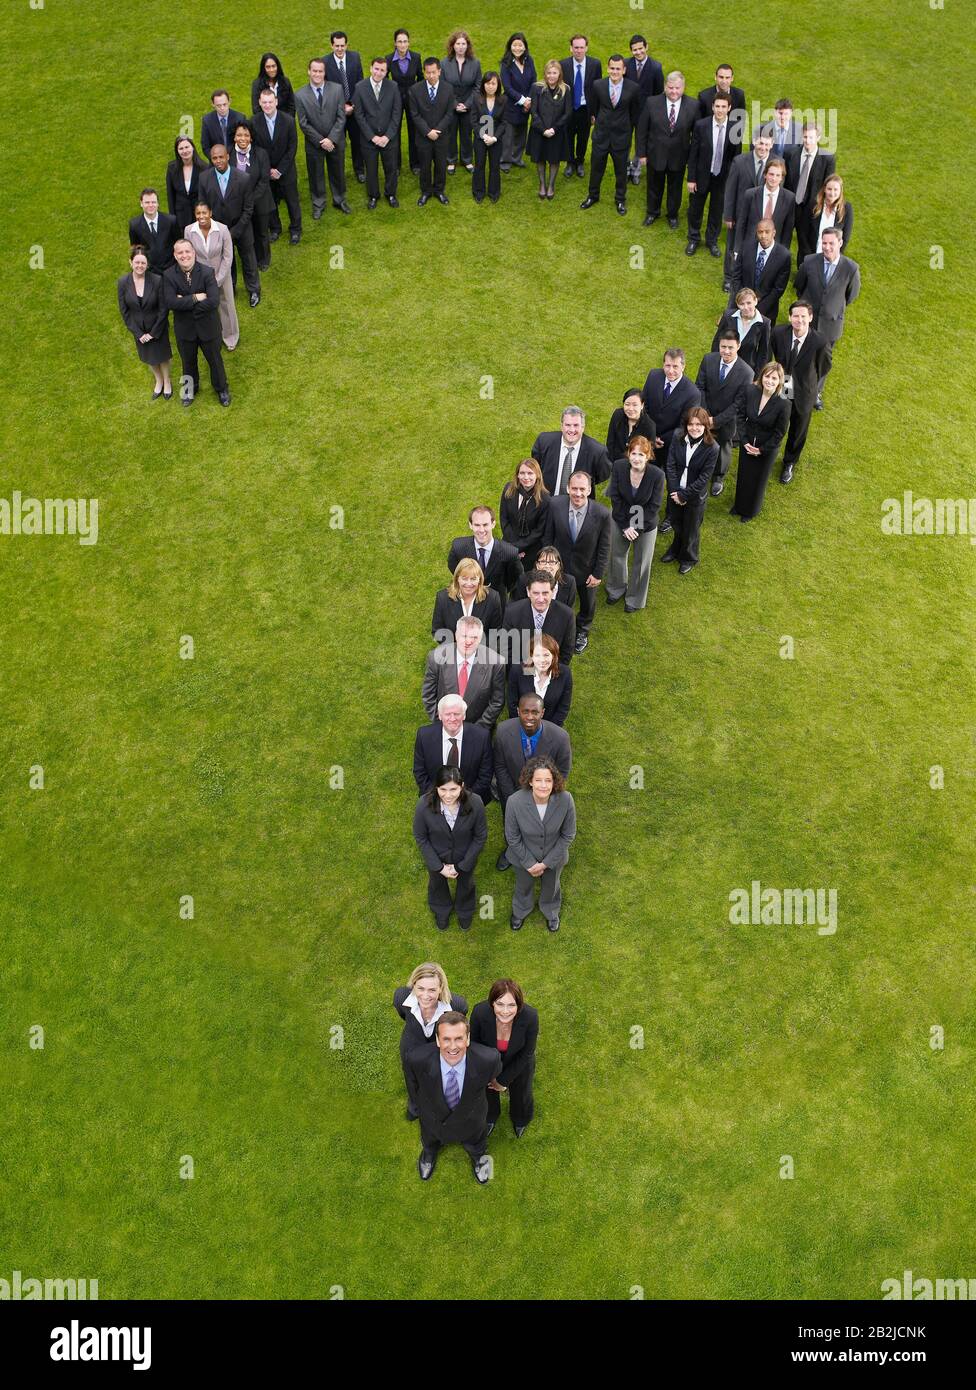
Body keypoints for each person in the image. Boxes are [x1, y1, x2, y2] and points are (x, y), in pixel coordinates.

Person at [407, 1012, 500, 1182]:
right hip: (432, 1116)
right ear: (437, 1040)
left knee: (477, 1140)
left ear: (468, 1039)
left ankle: (479, 1157)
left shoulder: (488, 1059)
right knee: (430, 1137)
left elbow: (493, 1077)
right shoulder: (416, 1059)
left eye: (458, 1038)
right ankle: (429, 1152)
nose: (453, 1046)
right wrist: (423, 1109)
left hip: (472, 1116)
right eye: (446, 1039)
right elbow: (413, 1086)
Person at [494, 697, 572, 870]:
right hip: (511, 791)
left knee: (541, 823)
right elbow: (499, 765)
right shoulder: (502, 730)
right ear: (518, 711)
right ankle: (512, 851)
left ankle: (542, 854)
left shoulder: (560, 737)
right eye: (525, 712)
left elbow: (563, 770)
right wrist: (511, 796)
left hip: (544, 793)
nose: (530, 716)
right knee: (511, 822)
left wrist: (544, 793)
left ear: (542, 713)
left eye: (535, 712)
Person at [412, 767, 488, 932]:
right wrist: (439, 867)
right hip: (437, 857)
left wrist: (462, 865)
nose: (448, 795)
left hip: (465, 857)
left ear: (462, 786)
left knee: (466, 884)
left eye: (453, 789)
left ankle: (465, 910)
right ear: (436, 788)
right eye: (443, 789)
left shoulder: (476, 803)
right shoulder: (423, 805)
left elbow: (480, 836)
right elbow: (421, 837)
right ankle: (441, 909)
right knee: (437, 884)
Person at [505, 756, 576, 932]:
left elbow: (568, 835)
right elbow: (512, 836)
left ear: (554, 782)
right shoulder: (514, 802)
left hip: (554, 857)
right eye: (538, 780)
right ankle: (520, 911)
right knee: (523, 886)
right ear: (530, 781)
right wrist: (529, 863)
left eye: (548, 780)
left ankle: (551, 911)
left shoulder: (566, 799)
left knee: (552, 887)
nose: (543, 785)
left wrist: (546, 863)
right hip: (523, 858)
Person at [546, 470, 611, 653]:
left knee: (587, 603)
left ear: (589, 490)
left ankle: (582, 630)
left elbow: (604, 546)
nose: (578, 493)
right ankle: (560, 629)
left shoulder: (602, 514)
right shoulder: (555, 504)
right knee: (559, 600)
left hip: (587, 570)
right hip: (560, 569)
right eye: (574, 488)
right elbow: (548, 536)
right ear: (567, 488)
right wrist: (548, 564)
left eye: (582, 489)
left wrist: (598, 573)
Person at [393, 962, 466, 1121]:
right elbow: (404, 1015)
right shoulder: (401, 997)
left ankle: (440, 1105)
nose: (425, 995)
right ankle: (415, 1106)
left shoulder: (456, 1005)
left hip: (440, 1045)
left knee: (441, 1075)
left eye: (432, 989)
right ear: (413, 985)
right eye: (420, 988)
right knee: (411, 1075)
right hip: (412, 1043)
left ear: (441, 988)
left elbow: (458, 1020)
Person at [794, 229, 861, 404]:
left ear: (840, 243)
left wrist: (833, 307)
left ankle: (815, 393)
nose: (827, 247)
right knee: (795, 355)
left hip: (830, 325)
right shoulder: (809, 261)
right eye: (824, 243)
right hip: (806, 322)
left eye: (831, 243)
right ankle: (789, 390)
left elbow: (851, 295)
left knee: (822, 360)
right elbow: (799, 286)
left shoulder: (851, 268)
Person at [162, 239, 230, 407]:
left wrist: (184, 303)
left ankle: (221, 389)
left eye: (187, 251)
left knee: (215, 361)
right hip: (185, 330)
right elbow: (170, 303)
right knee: (187, 362)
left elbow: (213, 301)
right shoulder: (169, 275)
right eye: (180, 253)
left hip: (209, 328)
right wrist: (196, 298)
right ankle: (189, 391)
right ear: (175, 255)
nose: (184, 255)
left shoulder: (207, 272)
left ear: (194, 253)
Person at [470, 980, 539, 1137]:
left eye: (511, 1005)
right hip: (488, 1061)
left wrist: (502, 1081)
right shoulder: (480, 1013)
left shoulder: (530, 1017)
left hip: (520, 1061)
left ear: (519, 1005)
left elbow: (528, 1051)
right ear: (492, 1003)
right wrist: (490, 1074)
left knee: (522, 1092)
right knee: (487, 1091)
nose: (505, 1011)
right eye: (500, 1004)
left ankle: (520, 1118)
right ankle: (490, 1116)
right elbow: (474, 1045)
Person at [770, 301, 830, 483]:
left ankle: (789, 462)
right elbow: (774, 353)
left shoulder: (819, 342)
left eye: (804, 316)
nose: (799, 320)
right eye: (796, 316)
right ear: (789, 317)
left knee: (798, 429)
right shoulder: (779, 333)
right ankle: (768, 453)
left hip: (805, 391)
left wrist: (808, 382)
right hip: (784, 385)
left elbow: (824, 366)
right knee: (776, 422)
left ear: (810, 318)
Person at [605, 435, 665, 611]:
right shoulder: (618, 467)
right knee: (616, 554)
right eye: (634, 453)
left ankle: (634, 599)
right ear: (628, 454)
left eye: (641, 454)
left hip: (645, 522)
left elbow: (654, 506)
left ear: (648, 456)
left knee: (641, 561)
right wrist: (625, 525)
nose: (637, 458)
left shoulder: (657, 475)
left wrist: (636, 527)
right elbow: (615, 498)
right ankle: (616, 589)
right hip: (620, 516)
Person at [198, 145, 260, 307]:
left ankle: (254, 289)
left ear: (227, 156)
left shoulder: (243, 178)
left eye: (221, 157)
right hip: (218, 230)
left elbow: (248, 208)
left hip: (242, 228)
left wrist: (235, 231)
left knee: (248, 259)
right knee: (226, 261)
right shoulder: (204, 178)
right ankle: (230, 287)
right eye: (214, 158)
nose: (218, 161)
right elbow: (202, 206)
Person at [637, 70, 700, 228]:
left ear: (683, 88)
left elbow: (697, 136)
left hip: (679, 156)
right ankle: (652, 212)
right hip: (655, 154)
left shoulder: (693, 105)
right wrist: (642, 153)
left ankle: (672, 215)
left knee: (675, 188)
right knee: (653, 186)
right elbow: (642, 129)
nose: (674, 91)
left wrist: (691, 158)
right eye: (671, 88)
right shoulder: (651, 102)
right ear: (665, 86)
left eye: (677, 88)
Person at [730, 362, 791, 521]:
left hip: (767, 447)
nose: (769, 381)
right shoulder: (751, 391)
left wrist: (761, 450)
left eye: (774, 378)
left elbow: (780, 432)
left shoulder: (784, 403)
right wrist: (743, 441)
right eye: (767, 376)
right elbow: (741, 416)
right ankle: (738, 506)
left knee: (758, 480)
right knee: (744, 475)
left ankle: (750, 511)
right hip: (748, 441)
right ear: (762, 376)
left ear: (780, 381)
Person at [661, 407, 719, 573]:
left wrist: (684, 495)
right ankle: (675, 549)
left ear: (705, 426)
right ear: (686, 425)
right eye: (691, 424)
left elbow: (704, 478)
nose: (695, 428)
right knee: (677, 523)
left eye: (699, 425)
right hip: (675, 491)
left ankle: (689, 557)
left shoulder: (712, 448)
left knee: (691, 529)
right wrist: (675, 491)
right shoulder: (677, 437)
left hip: (694, 497)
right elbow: (670, 464)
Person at [695, 333, 754, 496]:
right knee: (702, 443)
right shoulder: (708, 360)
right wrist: (706, 416)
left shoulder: (746, 372)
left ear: (738, 347)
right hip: (705, 414)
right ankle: (700, 470)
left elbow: (738, 404)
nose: (726, 351)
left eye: (730, 348)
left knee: (722, 448)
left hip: (727, 421)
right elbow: (699, 387)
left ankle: (718, 477)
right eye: (723, 347)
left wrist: (717, 421)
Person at [580, 55, 640, 216]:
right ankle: (593, 196)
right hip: (601, 136)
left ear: (624, 70)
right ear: (608, 68)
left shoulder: (633, 88)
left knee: (621, 171)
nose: (615, 71)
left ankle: (620, 199)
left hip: (621, 138)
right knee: (596, 168)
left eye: (618, 69)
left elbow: (635, 113)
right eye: (612, 68)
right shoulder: (598, 85)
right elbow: (593, 107)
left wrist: (626, 128)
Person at [422, 617, 507, 729]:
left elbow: (497, 702)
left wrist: (476, 730)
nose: (468, 641)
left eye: (474, 637)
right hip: (444, 728)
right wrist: (444, 724)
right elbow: (428, 696)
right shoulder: (436, 658)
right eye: (464, 636)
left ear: (481, 638)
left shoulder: (496, 663)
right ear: (456, 635)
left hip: (478, 730)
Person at [295, 58, 348, 220]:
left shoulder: (337, 89)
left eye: (320, 71)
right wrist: (321, 141)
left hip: (335, 141)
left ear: (324, 72)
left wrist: (331, 139)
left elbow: (341, 117)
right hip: (314, 144)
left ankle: (340, 200)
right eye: (314, 71)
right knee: (315, 175)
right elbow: (303, 123)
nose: (317, 74)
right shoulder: (300, 95)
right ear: (309, 72)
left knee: (338, 171)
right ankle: (318, 203)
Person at [413, 694, 493, 802]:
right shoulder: (424, 736)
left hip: (470, 799)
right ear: (440, 715)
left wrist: (463, 800)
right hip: (434, 798)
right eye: (447, 714)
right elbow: (419, 772)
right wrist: (439, 798)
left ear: (464, 715)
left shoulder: (481, 737)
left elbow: (485, 775)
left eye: (456, 714)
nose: (452, 718)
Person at [117, 245, 172, 399]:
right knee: (149, 357)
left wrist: (154, 333)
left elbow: (164, 308)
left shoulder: (157, 280)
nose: (140, 266)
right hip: (139, 330)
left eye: (143, 263)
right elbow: (124, 311)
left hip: (158, 327)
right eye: (137, 262)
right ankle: (158, 381)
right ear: (130, 262)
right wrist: (138, 333)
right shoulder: (123, 282)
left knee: (162, 357)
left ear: (147, 264)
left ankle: (167, 382)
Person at [685, 92, 735, 256]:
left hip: (722, 178)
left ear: (729, 108)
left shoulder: (735, 129)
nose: (720, 110)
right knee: (695, 208)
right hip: (701, 175)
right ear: (712, 107)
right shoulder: (701, 125)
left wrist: (731, 182)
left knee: (716, 210)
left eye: (723, 107)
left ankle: (711, 241)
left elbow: (736, 158)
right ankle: (693, 238)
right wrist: (691, 178)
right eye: (717, 106)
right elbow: (693, 154)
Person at [721, 131, 772, 290]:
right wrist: (728, 215)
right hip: (739, 214)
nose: (763, 147)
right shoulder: (740, 161)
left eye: (766, 144)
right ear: (754, 143)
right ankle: (729, 277)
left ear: (771, 145)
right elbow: (730, 189)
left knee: (757, 246)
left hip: (763, 216)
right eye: (760, 143)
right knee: (733, 245)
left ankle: (751, 277)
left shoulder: (777, 163)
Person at [184, 201, 238, 351]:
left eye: (204, 212)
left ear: (210, 213)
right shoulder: (189, 231)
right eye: (198, 213)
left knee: (226, 305)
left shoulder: (222, 229)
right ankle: (211, 337)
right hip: (200, 277)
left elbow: (228, 257)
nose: (201, 216)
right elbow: (189, 255)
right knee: (205, 309)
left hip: (222, 274)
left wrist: (219, 278)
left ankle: (230, 337)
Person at [252, 88, 302, 245]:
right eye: (264, 102)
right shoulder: (253, 122)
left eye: (270, 102)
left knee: (292, 201)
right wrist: (267, 170)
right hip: (266, 171)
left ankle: (295, 230)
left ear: (276, 102)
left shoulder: (288, 120)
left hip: (286, 170)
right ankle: (275, 228)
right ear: (260, 103)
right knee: (270, 202)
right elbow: (255, 148)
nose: (267, 105)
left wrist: (280, 170)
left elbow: (292, 147)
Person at [447, 505, 522, 606]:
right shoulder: (458, 547)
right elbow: (454, 569)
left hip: (496, 605)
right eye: (477, 525)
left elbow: (514, 579)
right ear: (470, 525)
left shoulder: (510, 552)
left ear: (493, 524)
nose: (481, 530)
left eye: (485, 525)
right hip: (468, 601)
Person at [642, 349, 702, 473]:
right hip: (647, 435)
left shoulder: (692, 393)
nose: (670, 371)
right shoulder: (653, 376)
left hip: (670, 444)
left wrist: (660, 440)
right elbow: (645, 405)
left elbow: (684, 424)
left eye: (675, 366)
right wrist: (651, 435)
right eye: (667, 365)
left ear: (683, 367)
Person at [353, 56, 401, 209]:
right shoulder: (360, 87)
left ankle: (391, 194)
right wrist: (372, 137)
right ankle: (373, 195)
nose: (379, 73)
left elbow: (396, 113)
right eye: (376, 69)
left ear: (386, 72)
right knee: (371, 169)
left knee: (391, 168)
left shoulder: (393, 86)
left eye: (382, 70)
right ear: (370, 68)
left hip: (389, 137)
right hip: (369, 139)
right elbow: (359, 115)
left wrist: (388, 136)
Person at [531, 405, 611, 496]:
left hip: (579, 502)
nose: (572, 430)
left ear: (583, 427)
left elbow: (602, 474)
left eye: (576, 425)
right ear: (561, 426)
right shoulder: (544, 441)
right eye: (568, 425)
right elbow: (536, 466)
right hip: (547, 499)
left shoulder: (598, 451)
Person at [502, 571, 576, 668]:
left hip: (551, 672)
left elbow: (567, 652)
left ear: (553, 592)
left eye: (545, 593)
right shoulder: (512, 612)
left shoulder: (566, 615)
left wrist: (548, 674)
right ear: (528, 592)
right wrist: (525, 672)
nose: (540, 599)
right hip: (519, 671)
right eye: (536, 593)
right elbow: (506, 649)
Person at [786, 123, 837, 264]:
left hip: (811, 208)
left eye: (811, 137)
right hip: (791, 205)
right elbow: (786, 181)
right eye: (805, 137)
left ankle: (803, 273)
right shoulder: (791, 154)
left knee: (806, 244)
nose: (807, 141)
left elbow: (828, 185)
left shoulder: (827, 159)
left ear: (818, 138)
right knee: (784, 239)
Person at [408, 58, 455, 205]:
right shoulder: (415, 90)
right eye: (428, 73)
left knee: (441, 165)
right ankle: (426, 191)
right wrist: (428, 131)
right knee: (425, 165)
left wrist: (438, 130)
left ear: (439, 71)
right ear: (424, 72)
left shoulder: (448, 89)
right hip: (423, 136)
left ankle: (439, 190)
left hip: (441, 136)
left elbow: (449, 113)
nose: (431, 76)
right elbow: (414, 115)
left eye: (434, 72)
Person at [728, 218, 791, 324]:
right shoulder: (746, 247)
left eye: (767, 232)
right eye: (760, 232)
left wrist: (756, 310)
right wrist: (744, 302)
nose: (763, 235)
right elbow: (736, 276)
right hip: (741, 306)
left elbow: (778, 289)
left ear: (774, 233)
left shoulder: (783, 256)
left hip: (766, 310)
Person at [231, 121, 273, 271]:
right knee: (245, 234)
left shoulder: (261, 154)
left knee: (261, 232)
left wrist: (250, 201)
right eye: (239, 135)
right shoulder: (228, 154)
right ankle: (250, 260)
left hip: (259, 202)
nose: (242, 138)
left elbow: (264, 180)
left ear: (251, 138)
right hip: (237, 204)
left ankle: (264, 259)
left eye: (246, 135)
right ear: (234, 137)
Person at [325, 31, 365, 184]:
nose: (340, 49)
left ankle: (359, 170)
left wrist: (353, 104)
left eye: (343, 46)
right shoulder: (326, 62)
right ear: (332, 45)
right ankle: (338, 172)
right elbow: (327, 88)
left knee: (357, 141)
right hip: (337, 111)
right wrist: (342, 106)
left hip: (354, 109)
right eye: (337, 46)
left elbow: (360, 82)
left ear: (347, 45)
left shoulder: (355, 57)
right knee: (338, 143)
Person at [432, 558, 504, 644]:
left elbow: (495, 632)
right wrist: (458, 649)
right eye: (464, 578)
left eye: (473, 579)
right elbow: (437, 631)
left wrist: (475, 648)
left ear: (479, 580)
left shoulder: (493, 598)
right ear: (457, 579)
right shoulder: (443, 598)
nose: (469, 583)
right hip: (453, 652)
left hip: (481, 651)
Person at [507, 632, 573, 724]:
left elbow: (563, 708)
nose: (542, 660)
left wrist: (548, 730)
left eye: (546, 655)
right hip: (521, 724)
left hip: (549, 726)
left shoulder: (565, 674)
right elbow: (512, 704)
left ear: (554, 656)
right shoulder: (517, 671)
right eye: (537, 655)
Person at [734, 156, 795, 256]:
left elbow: (788, 229)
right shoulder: (750, 194)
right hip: (750, 246)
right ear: (765, 175)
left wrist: (784, 252)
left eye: (777, 175)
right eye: (771, 174)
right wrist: (737, 249)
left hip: (774, 249)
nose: (774, 178)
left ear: (781, 178)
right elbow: (742, 223)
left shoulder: (789, 198)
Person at [624, 34, 664, 184]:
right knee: (625, 142)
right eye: (635, 50)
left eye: (641, 48)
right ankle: (626, 168)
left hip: (645, 114)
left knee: (641, 143)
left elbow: (658, 92)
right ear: (631, 51)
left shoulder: (655, 67)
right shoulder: (626, 64)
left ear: (646, 47)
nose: (638, 52)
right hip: (627, 112)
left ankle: (635, 170)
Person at [560, 35, 601, 178]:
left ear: (586, 48)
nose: (578, 50)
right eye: (576, 47)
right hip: (569, 108)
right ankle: (570, 162)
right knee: (568, 136)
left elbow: (598, 90)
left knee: (583, 137)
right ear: (571, 48)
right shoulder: (563, 65)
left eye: (581, 47)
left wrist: (595, 112)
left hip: (586, 109)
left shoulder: (595, 64)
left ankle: (580, 161)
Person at [499, 459, 550, 571]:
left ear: (537, 475)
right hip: (508, 543)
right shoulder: (509, 489)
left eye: (530, 473)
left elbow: (539, 530)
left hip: (530, 550)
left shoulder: (545, 498)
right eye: (522, 473)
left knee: (525, 580)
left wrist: (519, 547)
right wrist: (513, 547)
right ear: (517, 475)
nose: (526, 477)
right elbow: (504, 519)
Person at [529, 60, 570, 197]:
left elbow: (567, 113)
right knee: (540, 158)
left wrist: (554, 129)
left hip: (556, 132)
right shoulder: (536, 88)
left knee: (554, 159)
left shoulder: (565, 89)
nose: (551, 76)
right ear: (545, 74)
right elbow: (533, 112)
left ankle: (551, 185)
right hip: (539, 131)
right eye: (549, 73)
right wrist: (543, 130)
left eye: (554, 73)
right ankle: (542, 184)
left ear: (559, 74)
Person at [442, 30, 481, 173]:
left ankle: (467, 160)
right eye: (457, 43)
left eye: (463, 44)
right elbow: (443, 87)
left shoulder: (475, 63)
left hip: (468, 106)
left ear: (467, 46)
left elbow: (478, 86)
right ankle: (451, 160)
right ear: (452, 45)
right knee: (450, 133)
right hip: (450, 105)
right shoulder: (444, 63)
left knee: (466, 134)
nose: (460, 46)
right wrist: (454, 104)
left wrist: (467, 104)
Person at [712, 287, 771, 377]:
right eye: (742, 304)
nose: (746, 307)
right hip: (724, 364)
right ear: (737, 305)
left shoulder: (764, 323)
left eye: (749, 303)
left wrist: (757, 376)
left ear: (755, 301)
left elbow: (763, 353)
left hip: (746, 370)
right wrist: (714, 363)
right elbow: (717, 341)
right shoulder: (728, 316)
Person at [386, 29, 423, 174]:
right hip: (395, 100)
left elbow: (420, 78)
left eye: (405, 41)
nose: (402, 45)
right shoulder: (389, 59)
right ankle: (396, 165)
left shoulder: (416, 57)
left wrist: (419, 97)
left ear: (409, 42)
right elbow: (385, 80)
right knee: (395, 132)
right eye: (400, 42)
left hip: (412, 100)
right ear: (395, 43)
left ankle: (415, 164)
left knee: (414, 131)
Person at [499, 33, 535, 170]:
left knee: (521, 132)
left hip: (526, 104)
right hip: (511, 104)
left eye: (520, 45)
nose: (517, 48)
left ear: (525, 47)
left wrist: (529, 100)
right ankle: (505, 160)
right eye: (514, 45)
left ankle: (517, 158)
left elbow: (533, 80)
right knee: (508, 135)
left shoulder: (529, 60)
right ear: (510, 46)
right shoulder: (506, 63)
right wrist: (523, 100)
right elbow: (507, 87)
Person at [470, 72, 506, 202]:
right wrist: (483, 135)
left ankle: (494, 192)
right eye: (488, 83)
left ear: (498, 85)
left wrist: (495, 138)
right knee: (479, 165)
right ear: (483, 84)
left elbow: (504, 122)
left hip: (496, 139)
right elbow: (473, 120)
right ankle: (478, 192)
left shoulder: (503, 100)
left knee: (494, 166)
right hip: (481, 138)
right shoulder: (476, 98)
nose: (490, 86)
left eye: (493, 83)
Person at [510, 547, 578, 610]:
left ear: (558, 565)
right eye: (543, 561)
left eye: (552, 562)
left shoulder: (569, 582)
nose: (547, 566)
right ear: (537, 565)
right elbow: (515, 608)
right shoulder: (523, 580)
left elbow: (568, 611)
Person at [128, 188, 177, 274]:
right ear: (141, 204)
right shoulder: (134, 225)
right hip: (149, 272)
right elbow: (136, 249)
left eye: (153, 202)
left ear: (158, 203)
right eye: (147, 202)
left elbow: (178, 243)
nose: (150, 205)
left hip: (170, 269)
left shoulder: (171, 221)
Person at [165, 137, 207, 239]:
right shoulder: (172, 168)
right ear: (177, 151)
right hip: (180, 217)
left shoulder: (204, 167)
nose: (185, 151)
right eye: (181, 148)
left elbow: (207, 195)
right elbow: (170, 195)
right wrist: (173, 218)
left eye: (187, 147)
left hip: (199, 216)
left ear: (193, 147)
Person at [606, 388, 657, 462]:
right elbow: (610, 442)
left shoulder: (649, 426)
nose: (630, 409)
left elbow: (647, 455)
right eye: (627, 404)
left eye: (635, 405)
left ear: (642, 405)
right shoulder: (617, 415)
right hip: (614, 462)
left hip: (635, 465)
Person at [808, 174, 853, 256]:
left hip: (832, 256)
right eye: (829, 189)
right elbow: (803, 231)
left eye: (835, 189)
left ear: (840, 191)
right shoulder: (813, 205)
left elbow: (845, 237)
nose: (832, 193)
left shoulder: (847, 208)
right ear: (824, 189)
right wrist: (808, 255)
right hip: (811, 254)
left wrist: (835, 255)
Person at [698, 63, 746, 137]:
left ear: (732, 78)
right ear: (715, 77)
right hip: (709, 138)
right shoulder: (704, 96)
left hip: (730, 139)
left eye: (727, 77)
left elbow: (741, 119)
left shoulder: (739, 95)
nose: (724, 81)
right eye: (721, 77)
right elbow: (700, 122)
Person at [201, 89, 248, 159]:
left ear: (229, 102)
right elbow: (206, 146)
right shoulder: (207, 121)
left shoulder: (240, 118)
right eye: (218, 106)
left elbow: (245, 141)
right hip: (217, 161)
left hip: (237, 159)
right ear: (213, 104)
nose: (222, 108)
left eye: (224, 104)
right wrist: (216, 159)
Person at [251, 52, 296, 116]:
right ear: (263, 68)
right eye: (268, 67)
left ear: (277, 66)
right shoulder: (257, 84)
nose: (271, 70)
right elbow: (256, 109)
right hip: (265, 123)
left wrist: (286, 122)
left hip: (285, 122)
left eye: (273, 66)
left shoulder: (285, 82)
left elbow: (291, 106)